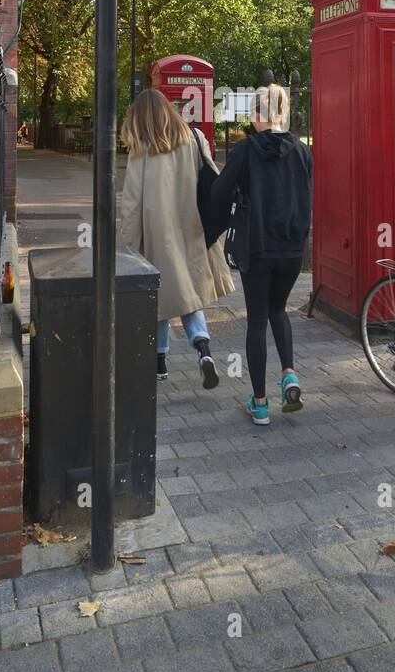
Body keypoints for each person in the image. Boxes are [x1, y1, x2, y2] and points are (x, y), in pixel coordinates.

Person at [210, 84, 312, 425]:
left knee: (256, 320)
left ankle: (260, 402)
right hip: (292, 248)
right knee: (278, 309)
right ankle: (290, 373)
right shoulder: (301, 150)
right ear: (282, 114)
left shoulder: (246, 149)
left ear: (255, 115)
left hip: (258, 247)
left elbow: (219, 192)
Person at [119, 89, 232, 387]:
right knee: (186, 293)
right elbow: (212, 178)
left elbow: (131, 204)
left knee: (160, 296)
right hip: (191, 229)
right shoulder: (193, 138)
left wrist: (127, 249)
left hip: (158, 236)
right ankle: (203, 348)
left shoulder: (141, 149)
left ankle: (159, 362)